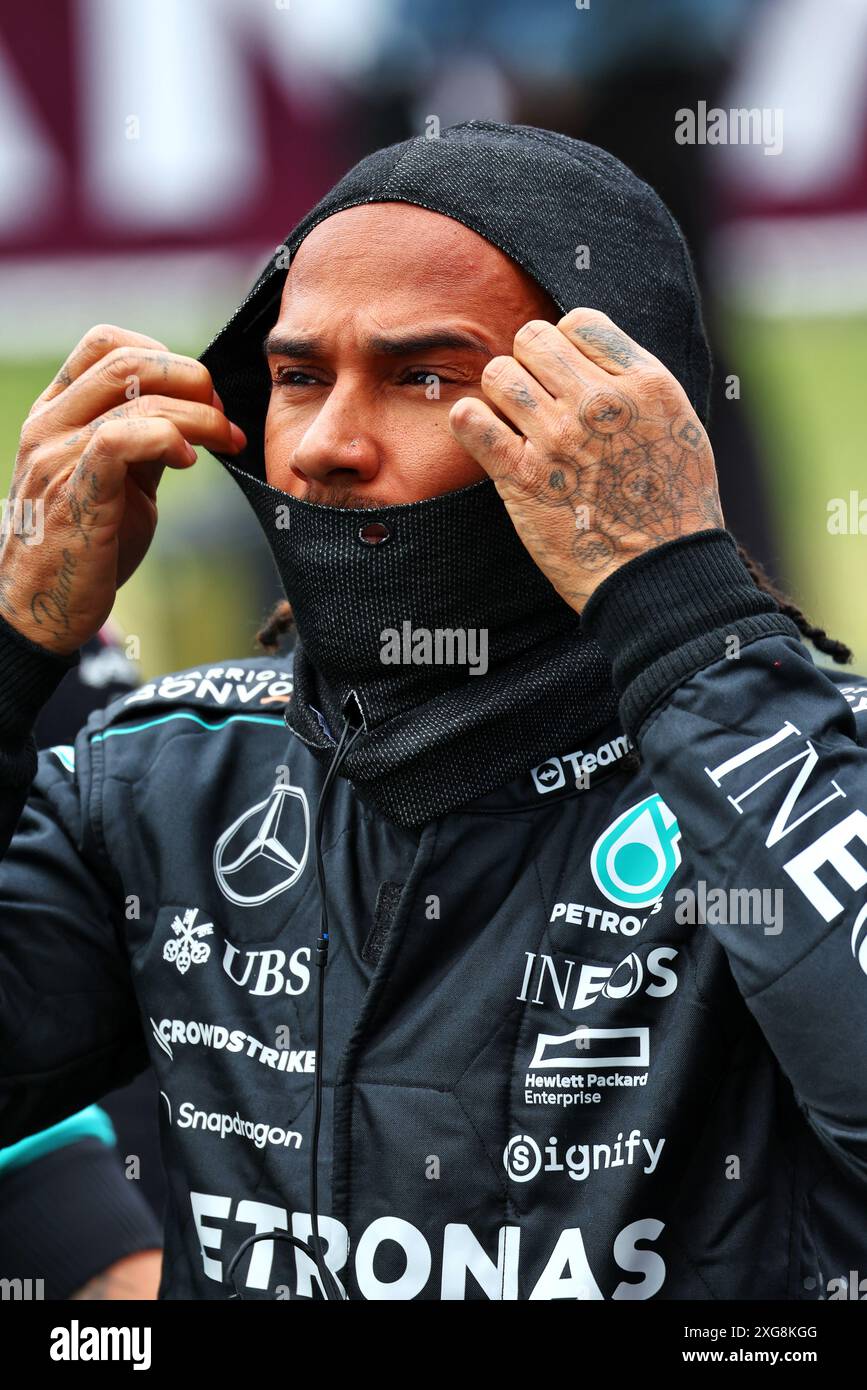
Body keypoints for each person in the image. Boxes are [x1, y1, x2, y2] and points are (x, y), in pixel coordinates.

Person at [0, 121, 865, 1302]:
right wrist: (11, 646)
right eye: (299, 377)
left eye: (423, 377)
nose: (324, 449)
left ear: (616, 426)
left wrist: (681, 601)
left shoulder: (798, 761)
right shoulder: (169, 777)